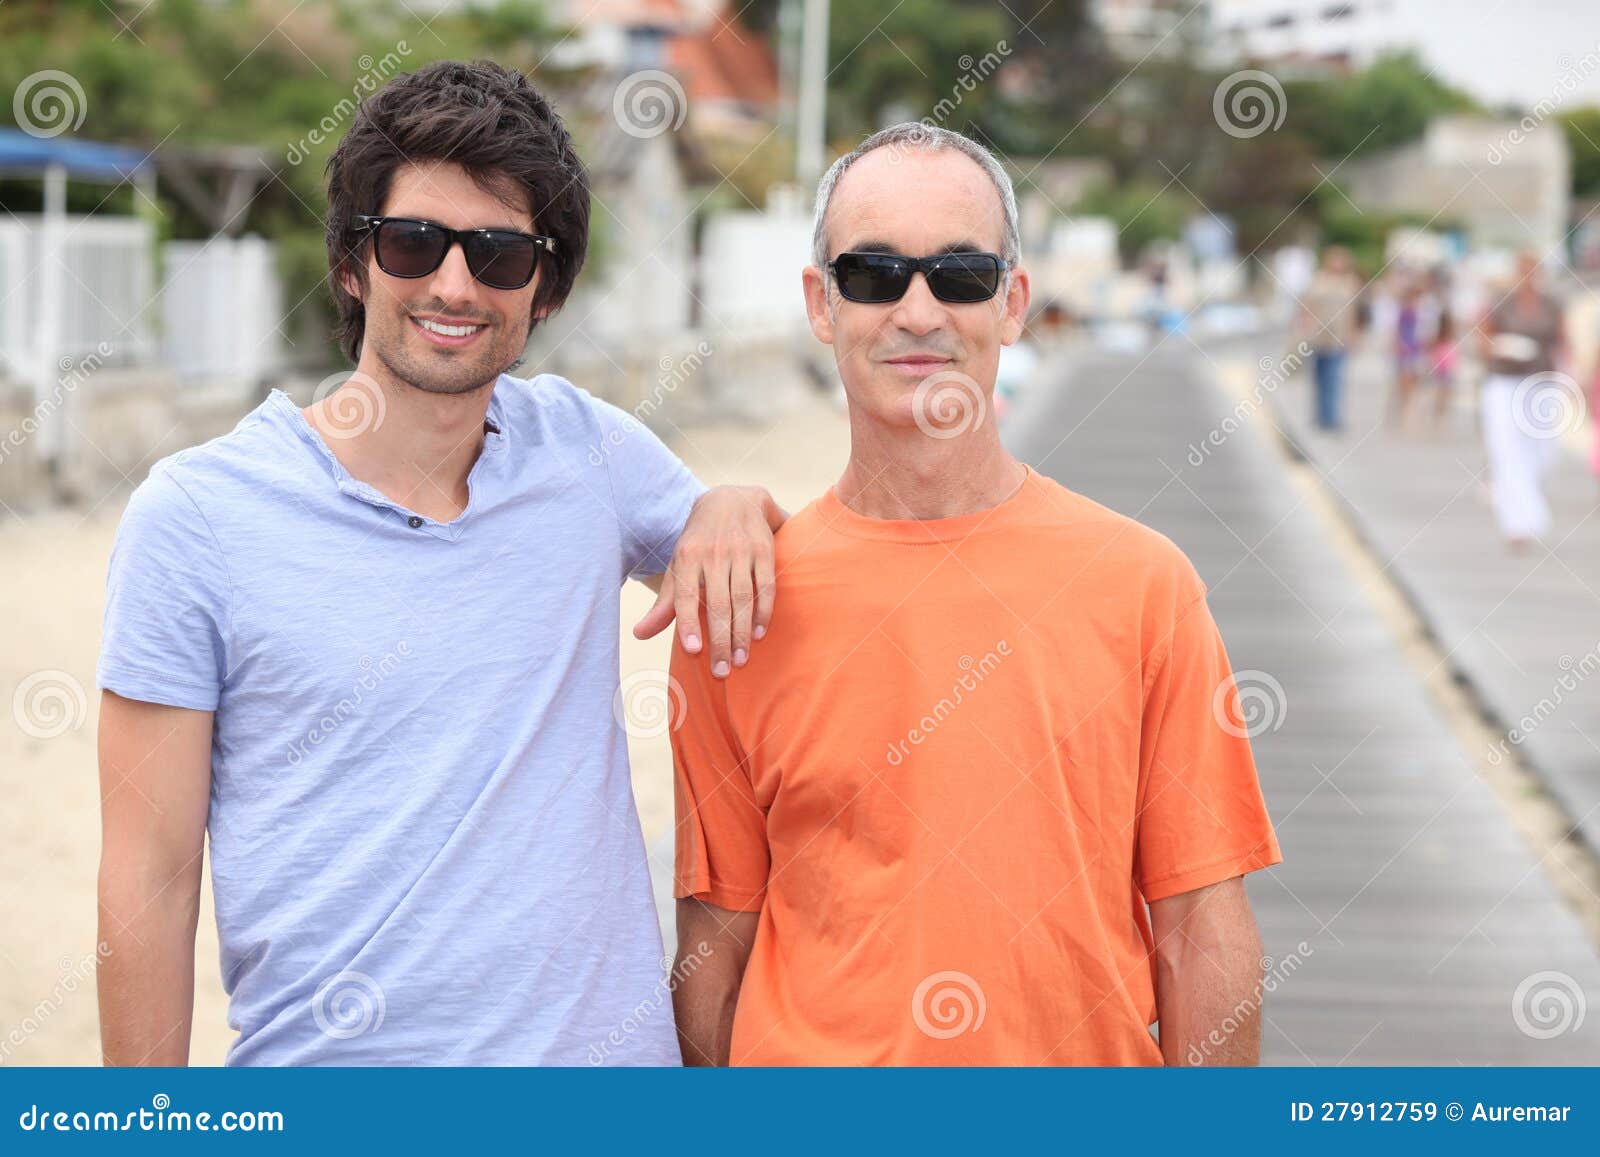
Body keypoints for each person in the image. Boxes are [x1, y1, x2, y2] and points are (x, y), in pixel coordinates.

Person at [95, 60, 784, 1066]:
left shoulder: (591, 454)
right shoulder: (196, 516)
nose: (454, 285)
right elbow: (147, 876)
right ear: (351, 262)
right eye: (414, 242)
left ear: (544, 288)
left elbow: (780, 593)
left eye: (500, 254)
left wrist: (734, 503)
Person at [668, 124, 1282, 1067]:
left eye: (960, 274)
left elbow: (1200, 926)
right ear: (820, 303)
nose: (918, 311)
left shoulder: (1142, 585)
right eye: (873, 273)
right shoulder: (740, 603)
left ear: (1014, 302)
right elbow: (716, 940)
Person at [1478, 251, 1568, 549]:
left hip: (1540, 383)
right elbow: (1483, 336)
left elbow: (1562, 341)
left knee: (1542, 453)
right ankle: (1516, 523)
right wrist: (1498, 348)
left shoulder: (1552, 303)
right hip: (1504, 382)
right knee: (1507, 451)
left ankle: (1531, 506)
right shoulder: (1501, 301)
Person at [1295, 246, 1362, 431]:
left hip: (1339, 337)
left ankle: (1331, 418)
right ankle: (1320, 416)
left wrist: (1355, 335)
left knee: (1333, 378)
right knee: (1318, 377)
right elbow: (1305, 306)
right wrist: (1304, 327)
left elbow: (1355, 311)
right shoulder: (1318, 280)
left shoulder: (1350, 282)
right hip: (1318, 336)